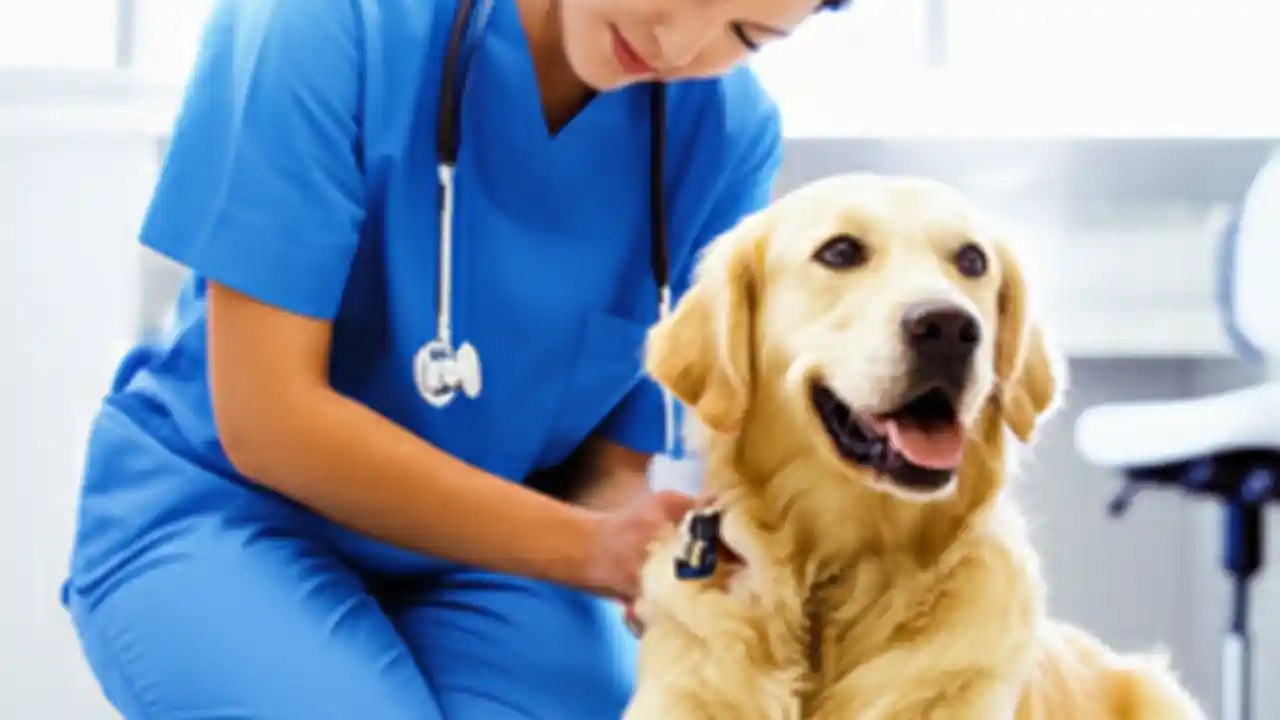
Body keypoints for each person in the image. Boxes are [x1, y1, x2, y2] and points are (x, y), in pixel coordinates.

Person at [61, 0, 849, 717]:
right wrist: (591, 549)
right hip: (229, 510)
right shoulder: (323, 24)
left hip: (496, 552)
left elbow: (610, 469)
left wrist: (660, 554)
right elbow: (269, 422)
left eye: (746, 36)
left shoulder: (724, 136)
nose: (678, 43)